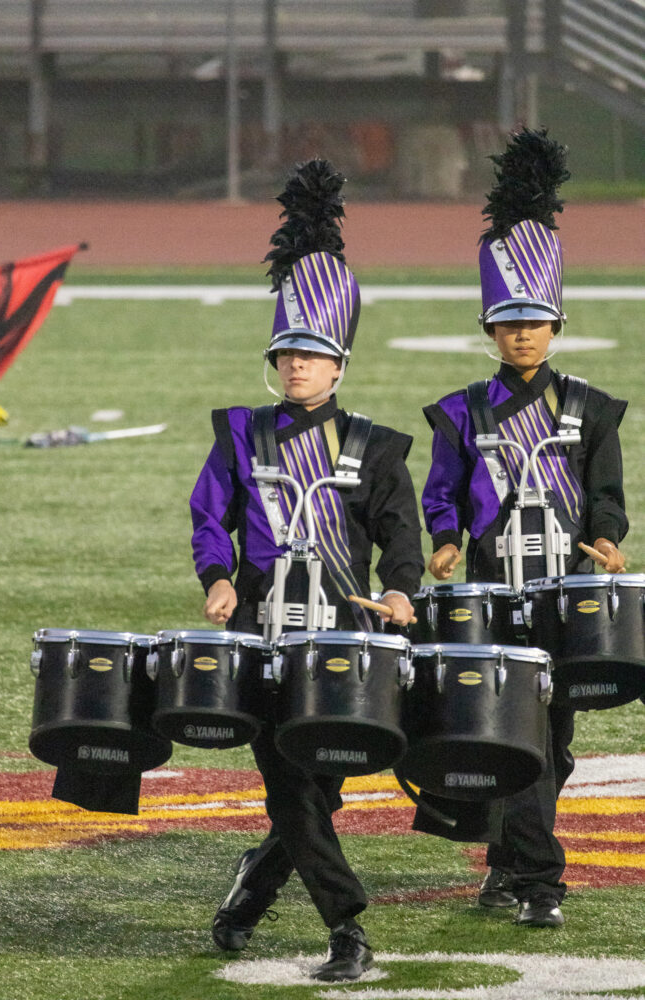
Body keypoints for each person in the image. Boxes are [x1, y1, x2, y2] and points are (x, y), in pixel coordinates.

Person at [189, 159, 424, 981]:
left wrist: (399, 590)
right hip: (261, 636)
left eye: (312, 354)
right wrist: (216, 578)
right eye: (286, 351)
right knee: (290, 785)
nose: (296, 365)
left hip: (342, 638)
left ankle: (255, 884)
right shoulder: (238, 436)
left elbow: (402, 537)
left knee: (321, 793)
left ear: (339, 366)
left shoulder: (378, 448)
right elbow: (206, 516)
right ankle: (348, 931)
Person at [420, 128, 628, 927]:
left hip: (566, 599)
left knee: (554, 748)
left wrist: (606, 538)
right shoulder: (459, 412)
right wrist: (443, 541)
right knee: (524, 743)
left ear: (555, 325)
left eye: (534, 321)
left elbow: (605, 496)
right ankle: (539, 884)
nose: (521, 334)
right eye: (507, 323)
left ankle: (504, 866)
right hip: (488, 601)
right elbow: (441, 494)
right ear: (489, 330)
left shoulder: (590, 408)